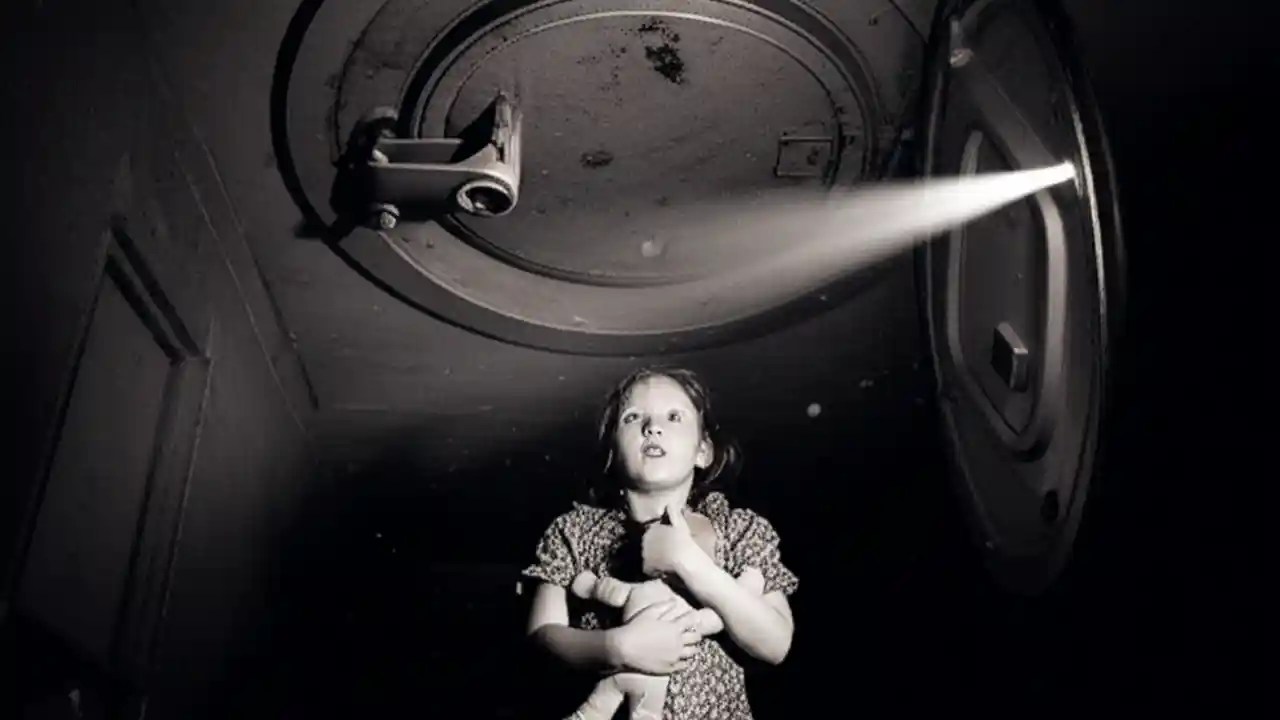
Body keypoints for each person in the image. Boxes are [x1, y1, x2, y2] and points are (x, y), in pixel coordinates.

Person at [522, 367, 799, 719]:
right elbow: (542, 637)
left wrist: (688, 561)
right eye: (633, 416)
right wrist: (616, 647)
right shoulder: (573, 530)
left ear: (703, 451)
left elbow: (775, 645)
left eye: (674, 416)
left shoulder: (740, 529)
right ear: (612, 450)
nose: (652, 427)